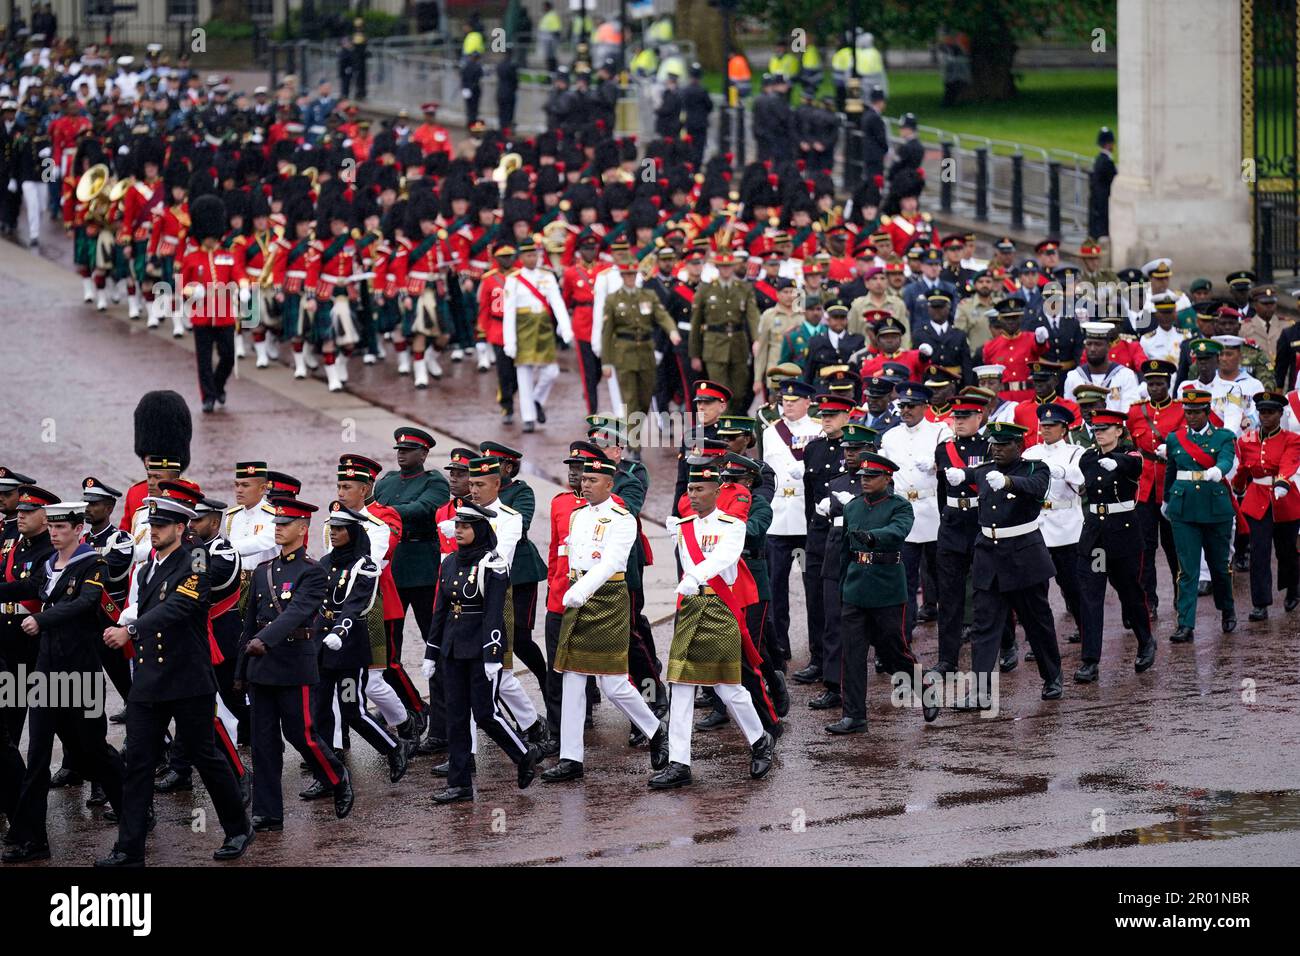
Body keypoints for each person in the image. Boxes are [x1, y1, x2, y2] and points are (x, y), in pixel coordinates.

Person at [97, 495, 253, 866]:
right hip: (151, 678)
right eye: (152, 526)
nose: (154, 533)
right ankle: (129, 848)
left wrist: (132, 629)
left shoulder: (196, 559)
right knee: (138, 761)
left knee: (205, 757)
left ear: (180, 529)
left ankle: (237, 828)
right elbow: (145, 604)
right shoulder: (150, 565)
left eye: (162, 526)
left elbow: (180, 606)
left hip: (187, 677)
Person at [0, 499, 124, 863]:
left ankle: (133, 805)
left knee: (93, 751)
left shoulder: (93, 564)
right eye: (51, 527)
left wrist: (44, 620)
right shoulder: (48, 565)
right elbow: (23, 587)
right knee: (37, 758)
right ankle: (33, 838)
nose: (54, 534)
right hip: (45, 674)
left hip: (79, 674)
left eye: (61, 528)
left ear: (77, 530)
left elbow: (86, 602)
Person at [542, 453, 668, 782]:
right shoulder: (578, 515)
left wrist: (580, 591)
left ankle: (655, 731)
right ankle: (571, 757)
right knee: (570, 677)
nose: (585, 485)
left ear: (610, 484)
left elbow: (611, 562)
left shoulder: (622, 518)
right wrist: (571, 587)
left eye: (592, 480)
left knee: (612, 684)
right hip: (577, 595)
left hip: (607, 598)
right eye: (583, 480)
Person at [653, 459, 775, 790]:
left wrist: (694, 575)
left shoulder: (732, 524)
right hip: (691, 608)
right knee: (680, 685)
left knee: (727, 686)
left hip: (720, 607)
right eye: (690, 489)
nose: (692, 495)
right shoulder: (684, 526)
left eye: (700, 489)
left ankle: (760, 738)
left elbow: (724, 557)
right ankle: (679, 762)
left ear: (716, 490)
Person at [237, 497, 353, 832]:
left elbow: (297, 613)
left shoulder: (313, 572)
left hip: (292, 663)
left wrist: (265, 640)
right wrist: (240, 671)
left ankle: (337, 777)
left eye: (285, 524)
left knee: (301, 734)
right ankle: (268, 812)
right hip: (260, 666)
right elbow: (248, 625)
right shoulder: (263, 573)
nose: (278, 529)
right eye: (276, 524)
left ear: (302, 529)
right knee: (263, 741)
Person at [423, 503, 542, 803]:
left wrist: (493, 655)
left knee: (485, 713)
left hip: (480, 647)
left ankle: (524, 753)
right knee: (457, 715)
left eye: (466, 527)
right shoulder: (449, 562)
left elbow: (493, 613)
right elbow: (440, 609)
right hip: (452, 645)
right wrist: (432, 651)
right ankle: (460, 784)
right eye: (458, 526)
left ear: (480, 530)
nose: (460, 531)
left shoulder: (493, 564)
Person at [945, 422, 1064, 709]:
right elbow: (973, 474)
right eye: (993, 445)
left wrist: (1010, 483)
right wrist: (960, 474)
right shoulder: (986, 470)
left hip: (1023, 556)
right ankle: (981, 692)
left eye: (1003, 445)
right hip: (989, 554)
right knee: (984, 626)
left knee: (1037, 623)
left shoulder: (1036, 468)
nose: (996, 450)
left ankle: (1052, 676)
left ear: (1018, 446)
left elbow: (1037, 488)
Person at [828, 452, 939, 734]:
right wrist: (842, 587)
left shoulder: (899, 506)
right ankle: (854, 716)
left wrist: (875, 537)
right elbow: (844, 552)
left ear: (887, 478)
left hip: (887, 587)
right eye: (863, 476)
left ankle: (924, 685)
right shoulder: (852, 507)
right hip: (855, 587)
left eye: (872, 476)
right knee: (852, 654)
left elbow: (899, 531)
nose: (865, 481)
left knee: (893, 652)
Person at [311, 502, 410, 785]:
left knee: (352, 710)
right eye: (333, 528)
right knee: (320, 710)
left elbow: (356, 604)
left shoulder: (364, 566)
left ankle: (393, 747)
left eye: (340, 529)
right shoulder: (325, 562)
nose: (334, 533)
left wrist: (339, 632)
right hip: (321, 645)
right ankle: (328, 775)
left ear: (353, 532)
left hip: (349, 650)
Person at [1074, 410, 1156, 681]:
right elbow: (1088, 471)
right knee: (1091, 595)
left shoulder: (1131, 455)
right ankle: (1090, 660)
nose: (1099, 432)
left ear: (1119, 431)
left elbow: (1134, 465)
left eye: (1106, 428)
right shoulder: (1088, 457)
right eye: (1096, 428)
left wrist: (1117, 462)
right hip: (1096, 537)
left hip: (1123, 535)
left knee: (1130, 592)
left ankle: (1145, 640)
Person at [1162, 389, 1238, 643]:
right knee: (1187, 569)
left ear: (1207, 413)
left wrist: (1218, 470)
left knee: (1219, 568)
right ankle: (1185, 624)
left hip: (1215, 509)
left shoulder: (1224, 437)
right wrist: (1166, 500)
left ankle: (1227, 608)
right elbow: (1170, 471)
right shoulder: (1175, 439)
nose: (1191, 417)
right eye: (1188, 412)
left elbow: (1227, 459)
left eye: (1196, 412)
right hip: (1184, 510)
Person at [880, 382, 952, 638]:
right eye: (902, 406)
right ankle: (904, 632)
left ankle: (949, 629)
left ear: (925, 406)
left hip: (932, 508)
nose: (906, 410)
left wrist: (935, 464)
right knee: (905, 578)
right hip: (903, 510)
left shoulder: (939, 430)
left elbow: (952, 459)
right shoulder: (890, 436)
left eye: (911, 406)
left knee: (941, 575)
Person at [763, 378, 822, 675]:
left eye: (795, 399)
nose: (788, 403)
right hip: (777, 518)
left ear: (808, 402)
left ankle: (817, 652)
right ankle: (779, 648)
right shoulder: (770, 432)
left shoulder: (818, 430)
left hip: (806, 518)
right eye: (785, 399)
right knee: (775, 587)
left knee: (813, 588)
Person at [373, 427, 448, 660]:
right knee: (389, 637)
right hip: (393, 567)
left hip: (422, 567)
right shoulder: (387, 482)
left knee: (432, 633)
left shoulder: (434, 482)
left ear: (424, 455)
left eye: (408, 450)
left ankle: (444, 691)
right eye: (399, 449)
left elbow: (424, 508)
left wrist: (387, 513)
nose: (401, 454)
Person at [932, 392, 990, 673]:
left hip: (980, 520)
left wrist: (969, 475)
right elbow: (942, 491)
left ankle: (1004, 646)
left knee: (988, 590)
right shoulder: (944, 449)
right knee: (950, 595)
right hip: (953, 523)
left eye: (966, 417)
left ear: (979, 417)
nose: (959, 422)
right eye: (956, 417)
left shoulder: (990, 446)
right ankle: (947, 658)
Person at [1234, 392, 1300, 620]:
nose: (1265, 417)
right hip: (1257, 499)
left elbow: (1289, 461)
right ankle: (1260, 603)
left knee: (1288, 551)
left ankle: (1293, 589)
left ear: (1280, 414)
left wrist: (1282, 482)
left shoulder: (1291, 438)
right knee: (1259, 552)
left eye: (1270, 412)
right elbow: (1244, 467)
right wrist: (1238, 486)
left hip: (1285, 499)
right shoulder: (1246, 439)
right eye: (1262, 412)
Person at [601, 260, 680, 450]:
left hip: (646, 352)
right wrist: (606, 361)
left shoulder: (648, 295)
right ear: (622, 276)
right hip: (624, 354)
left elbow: (662, 316)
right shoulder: (613, 299)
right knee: (630, 399)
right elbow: (607, 332)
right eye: (626, 275)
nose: (630, 278)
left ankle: (633, 433)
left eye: (632, 274)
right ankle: (634, 446)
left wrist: (672, 330)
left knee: (645, 399)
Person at [503, 237, 574, 432]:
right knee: (524, 373)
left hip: (543, 327)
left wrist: (566, 328)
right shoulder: (513, 280)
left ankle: (536, 400)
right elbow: (508, 313)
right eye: (528, 255)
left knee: (551, 371)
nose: (532, 258)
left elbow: (558, 303)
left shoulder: (547, 276)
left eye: (535, 254)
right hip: (523, 327)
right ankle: (528, 418)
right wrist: (509, 341)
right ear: (521, 257)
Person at [690, 250, 762, 415]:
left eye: (729, 266)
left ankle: (732, 420)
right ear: (717, 268)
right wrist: (694, 354)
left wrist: (756, 339)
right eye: (722, 267)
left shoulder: (744, 288)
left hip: (738, 343)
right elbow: (696, 323)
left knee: (738, 391)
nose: (726, 270)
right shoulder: (706, 290)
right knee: (719, 392)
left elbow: (752, 316)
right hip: (714, 345)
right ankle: (724, 429)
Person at [1089, 127, 1116, 239]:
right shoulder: (1106, 162)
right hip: (1104, 199)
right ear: (1108, 144)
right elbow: (1112, 179)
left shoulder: (1099, 159)